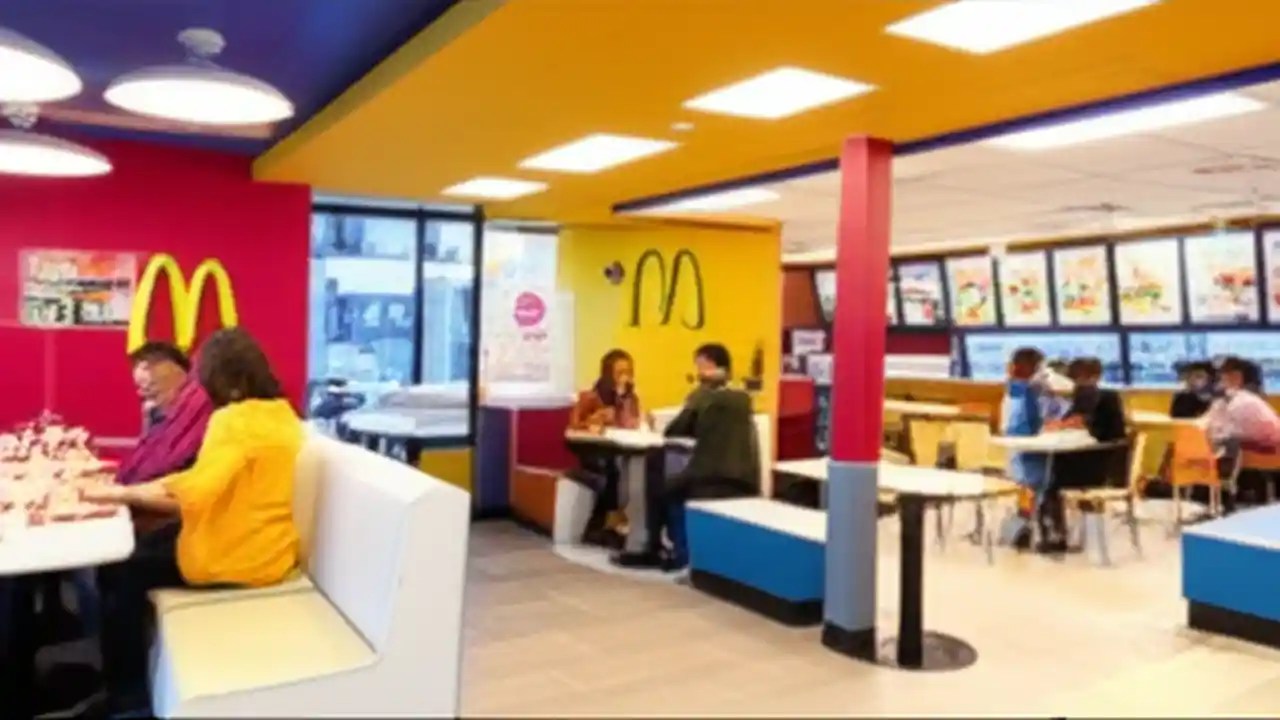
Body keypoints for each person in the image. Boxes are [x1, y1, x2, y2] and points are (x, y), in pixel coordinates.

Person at [85, 328, 304, 714]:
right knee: (133, 557)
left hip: (235, 558)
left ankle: (127, 698)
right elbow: (201, 483)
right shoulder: (281, 415)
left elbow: (196, 491)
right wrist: (137, 490)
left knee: (121, 569)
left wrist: (119, 493)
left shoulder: (234, 421)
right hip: (269, 553)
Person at [615, 343, 759, 572]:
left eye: (699, 365)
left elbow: (676, 429)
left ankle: (674, 552)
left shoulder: (703, 395)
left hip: (709, 475)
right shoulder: (744, 399)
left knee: (667, 489)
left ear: (709, 365)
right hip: (745, 478)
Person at [1040, 357, 1129, 551]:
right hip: (1089, 457)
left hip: (1100, 463)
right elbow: (1074, 421)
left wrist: (1072, 425)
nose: (1080, 383)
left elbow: (1095, 428)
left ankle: (1057, 534)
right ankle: (1057, 530)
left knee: (1051, 483)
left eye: (1083, 378)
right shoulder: (1086, 397)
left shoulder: (1105, 398)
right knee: (1052, 475)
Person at [567, 349, 648, 547]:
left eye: (628, 371)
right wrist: (592, 423)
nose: (624, 377)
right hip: (594, 454)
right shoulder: (590, 397)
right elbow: (573, 427)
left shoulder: (631, 398)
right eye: (619, 372)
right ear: (607, 373)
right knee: (613, 470)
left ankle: (632, 525)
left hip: (621, 450)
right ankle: (604, 526)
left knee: (636, 468)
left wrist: (625, 401)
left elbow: (631, 423)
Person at [1002, 347, 1047, 550]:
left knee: (1025, 488)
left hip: (1012, 450)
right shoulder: (1031, 392)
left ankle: (1024, 524)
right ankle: (1030, 526)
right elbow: (1033, 424)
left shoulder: (1010, 389)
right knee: (1037, 484)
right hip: (1028, 450)